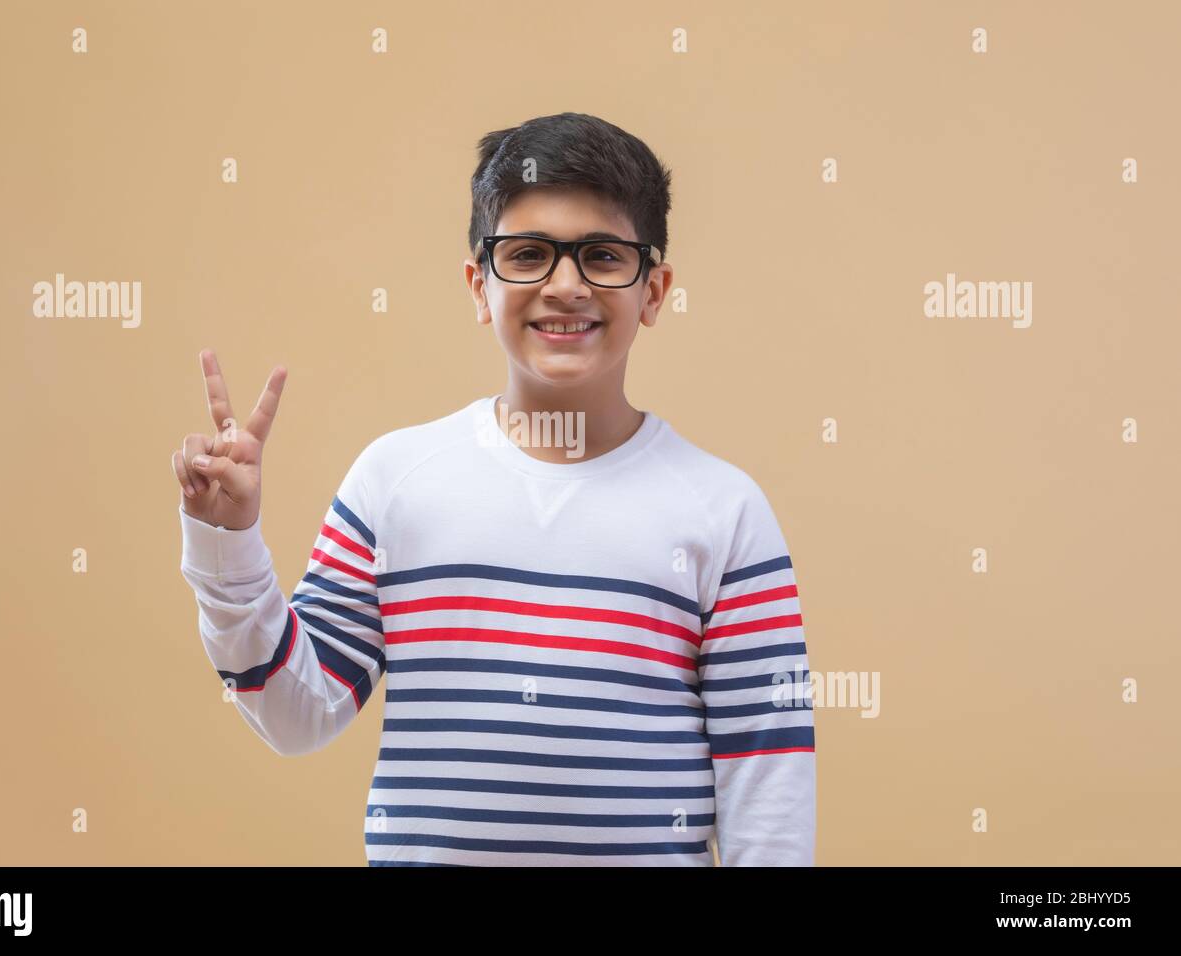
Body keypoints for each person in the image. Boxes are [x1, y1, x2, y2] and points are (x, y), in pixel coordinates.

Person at [171, 112, 816, 866]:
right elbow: (296, 714)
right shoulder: (395, 481)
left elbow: (768, 786)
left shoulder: (724, 512)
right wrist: (228, 545)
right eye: (530, 254)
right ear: (479, 285)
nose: (566, 285)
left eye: (603, 256)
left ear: (654, 289)